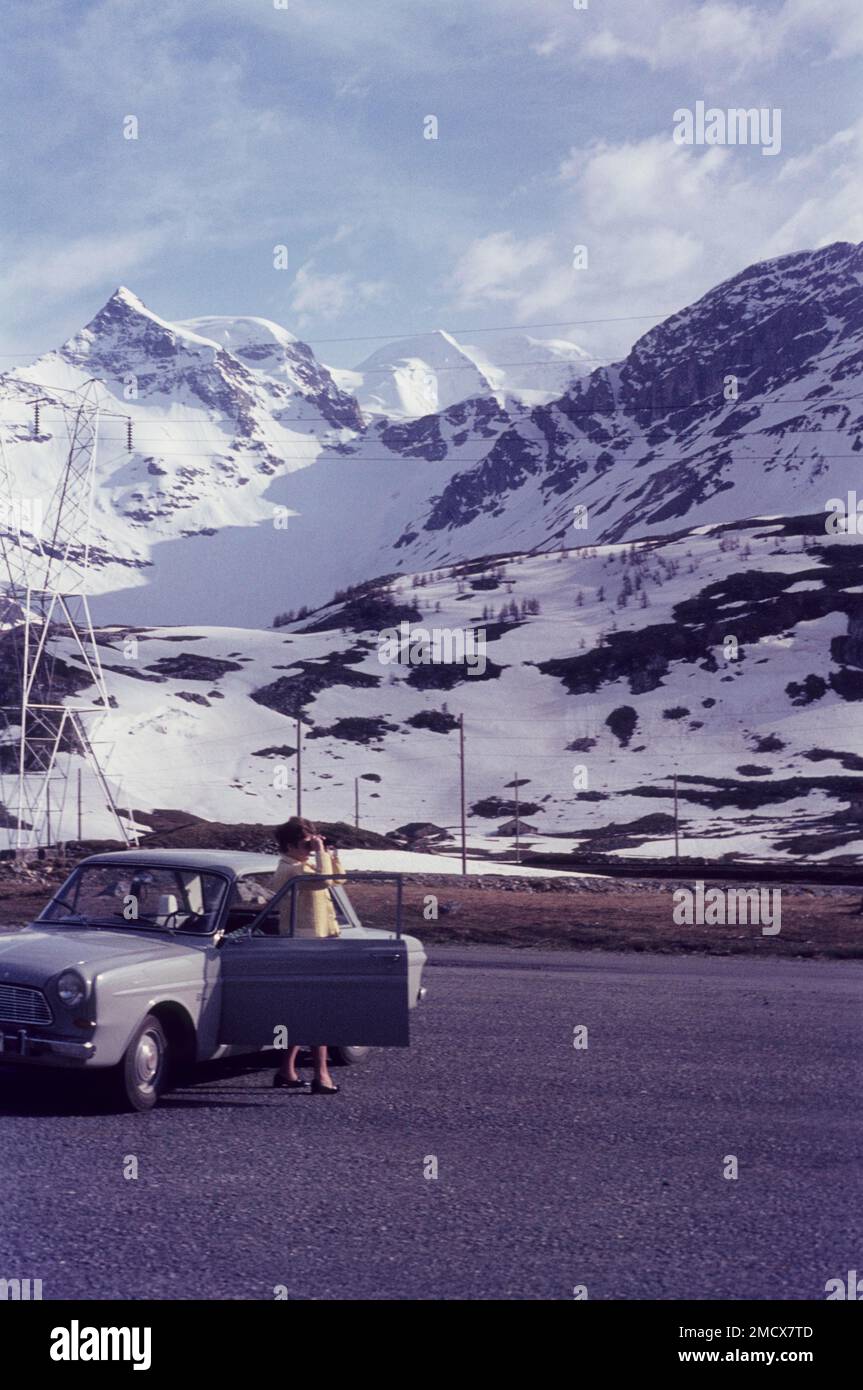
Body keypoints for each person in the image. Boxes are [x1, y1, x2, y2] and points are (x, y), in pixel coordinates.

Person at [271, 816, 344, 1095]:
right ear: (289, 846)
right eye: (306, 844)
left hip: (317, 942)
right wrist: (321, 854)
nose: (311, 848)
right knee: (317, 1010)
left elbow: (337, 880)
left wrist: (329, 853)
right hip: (303, 945)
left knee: (301, 1010)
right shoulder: (290, 869)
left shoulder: (302, 865)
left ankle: (286, 1070)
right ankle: (321, 1075)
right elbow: (323, 881)